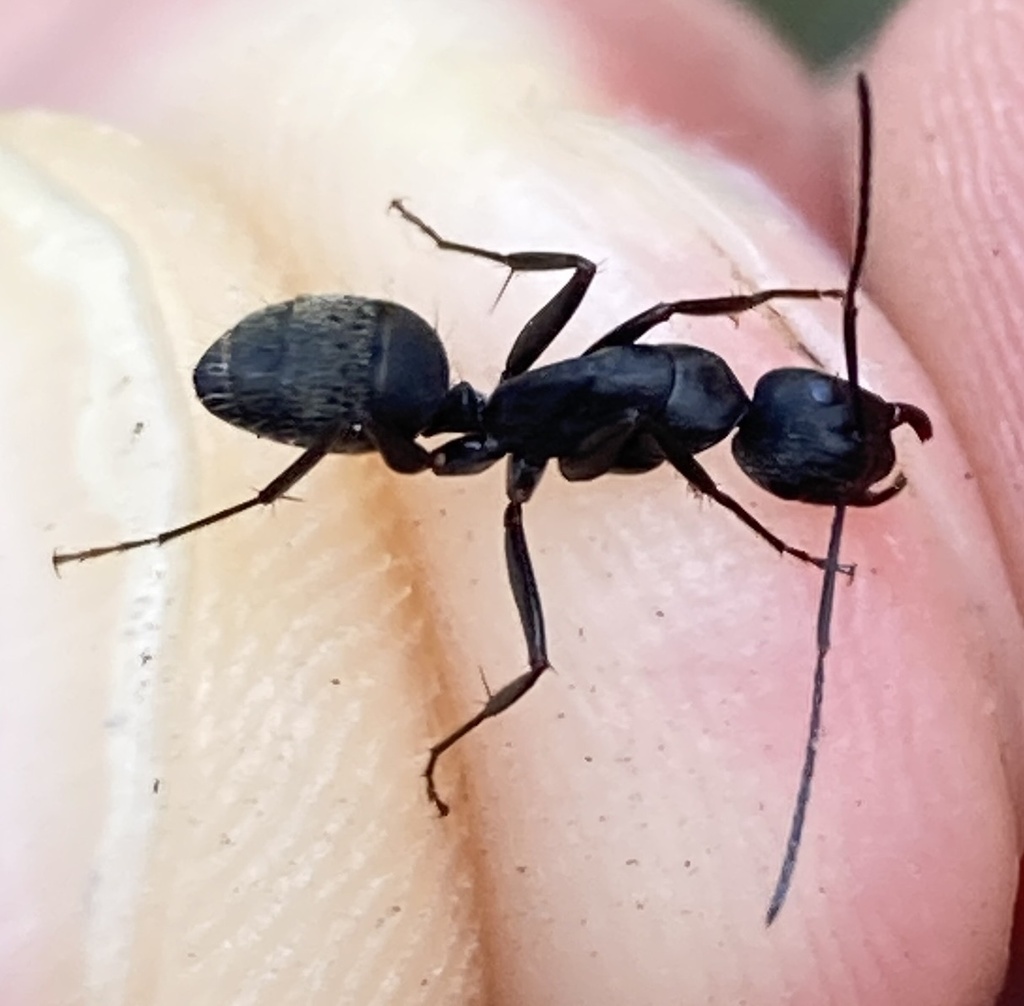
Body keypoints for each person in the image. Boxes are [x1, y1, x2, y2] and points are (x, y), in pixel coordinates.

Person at [2, 0, 1020, 1002]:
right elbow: (684, 432)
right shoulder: (638, 399)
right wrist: (771, 520)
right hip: (345, 370)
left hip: (407, 360)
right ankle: (186, 520)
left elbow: (659, 373)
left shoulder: (650, 371)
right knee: (531, 654)